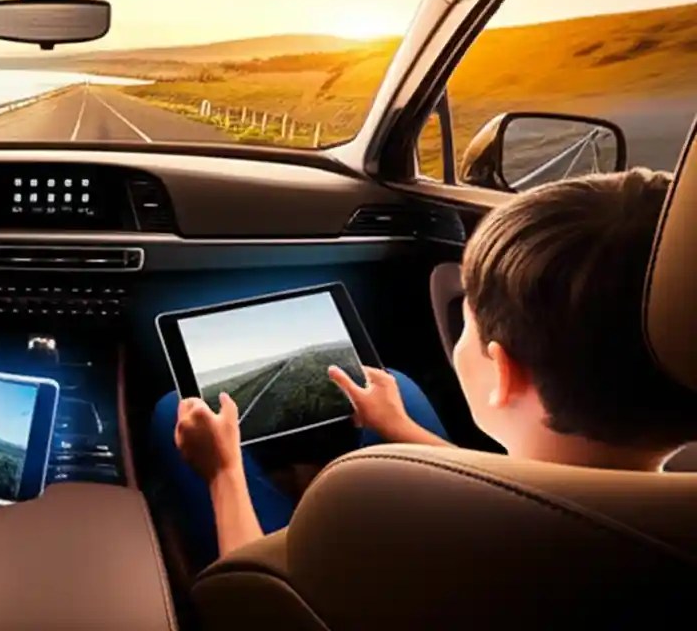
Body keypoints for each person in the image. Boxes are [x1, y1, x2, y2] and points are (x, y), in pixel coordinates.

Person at [164, 169, 697, 564]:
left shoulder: (446, 556)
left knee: (172, 409)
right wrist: (398, 427)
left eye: (468, 321)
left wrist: (223, 473)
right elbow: (528, 487)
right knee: (398, 389)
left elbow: (255, 605)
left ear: (503, 372)